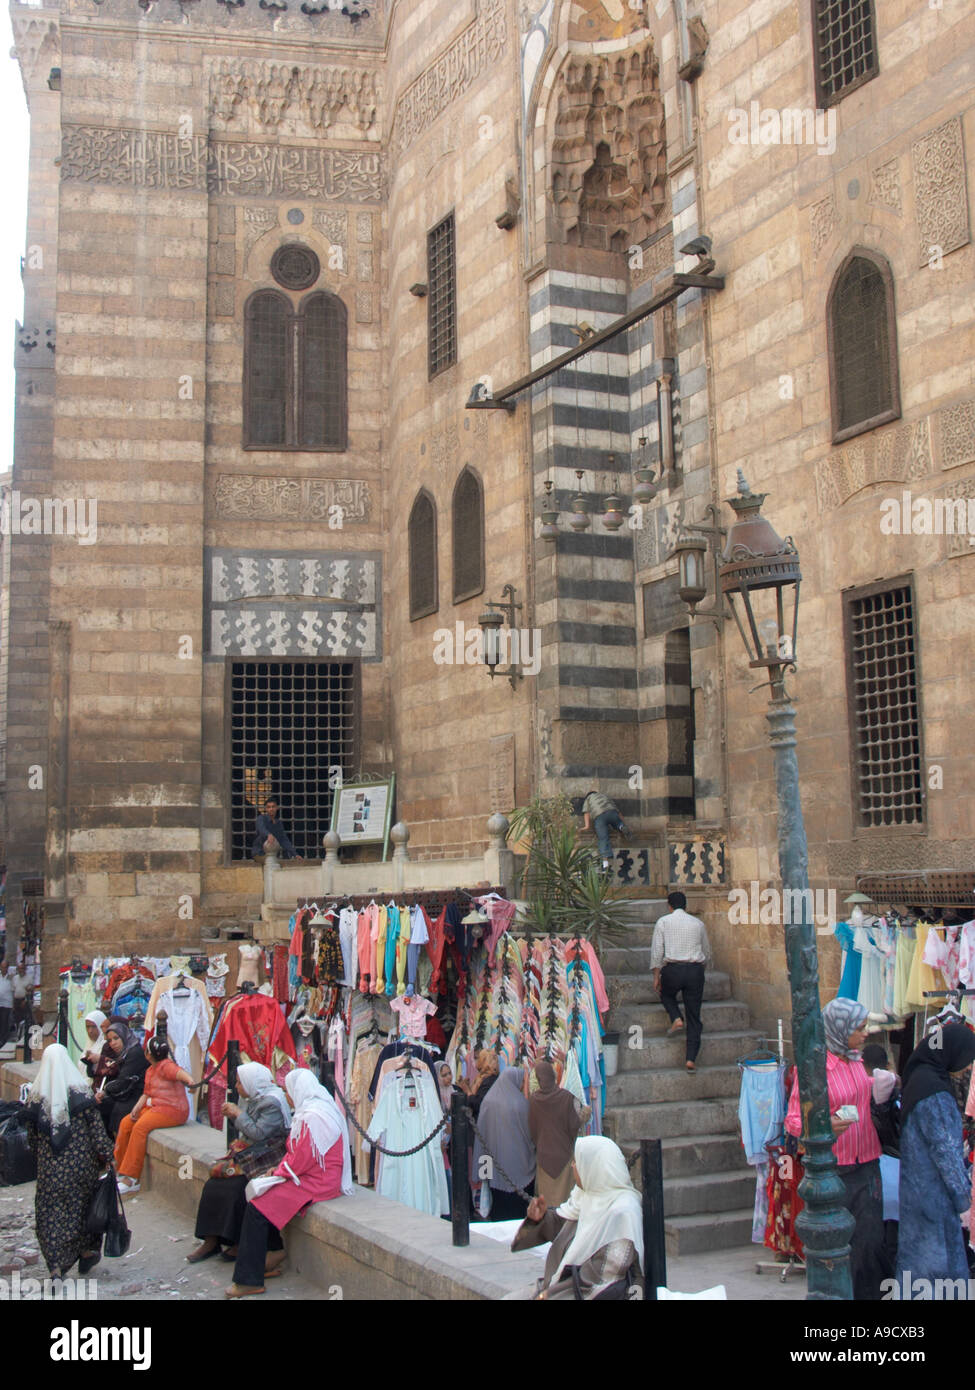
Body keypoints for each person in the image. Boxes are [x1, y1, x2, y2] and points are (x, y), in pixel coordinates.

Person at [785, 998, 890, 1300]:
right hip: (835, 1171)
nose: (865, 1033)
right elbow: (793, 1120)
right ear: (839, 1030)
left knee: (870, 1242)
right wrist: (824, 1126)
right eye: (859, 1028)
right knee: (839, 1247)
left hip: (868, 1162)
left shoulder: (856, 1061)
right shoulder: (816, 1069)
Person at [227, 1067, 354, 1299]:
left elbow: (303, 1158)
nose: (286, 1095)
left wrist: (279, 1171)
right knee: (258, 1200)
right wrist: (280, 1170)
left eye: (288, 1090)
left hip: (318, 1181)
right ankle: (271, 1254)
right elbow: (299, 1154)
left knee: (257, 1206)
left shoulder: (312, 1116)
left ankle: (248, 1280)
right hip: (314, 1174)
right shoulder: (315, 1110)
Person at [508, 1135, 644, 1300]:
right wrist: (537, 1219)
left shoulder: (622, 1212)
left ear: (593, 1167)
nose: (573, 1166)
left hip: (594, 1292)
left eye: (577, 1162)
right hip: (564, 1287)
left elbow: (604, 1275)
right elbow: (561, 1226)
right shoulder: (585, 1195)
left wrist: (549, 1294)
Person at [896, 1024, 975, 1297]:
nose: (967, 1068)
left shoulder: (918, 1079)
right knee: (938, 1277)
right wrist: (964, 1201)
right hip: (935, 1200)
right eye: (967, 1059)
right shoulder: (935, 1094)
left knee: (918, 1273)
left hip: (915, 1195)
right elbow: (946, 1153)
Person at [24, 1043, 114, 1278]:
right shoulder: (81, 1093)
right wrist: (107, 1155)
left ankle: (55, 1265)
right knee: (83, 1208)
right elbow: (96, 1130)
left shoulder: (35, 1098)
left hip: (50, 1169)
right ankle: (85, 1252)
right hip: (82, 1167)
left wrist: (43, 1159)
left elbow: (32, 1139)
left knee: (50, 1214)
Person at [188, 1062, 292, 1264]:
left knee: (237, 1188)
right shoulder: (256, 1097)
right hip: (253, 1153)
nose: (236, 1087)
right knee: (213, 1185)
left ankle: (236, 1241)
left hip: (266, 1157)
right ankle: (211, 1239)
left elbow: (259, 1133)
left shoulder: (271, 1102)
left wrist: (237, 1114)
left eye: (239, 1083)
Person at [114, 1038, 192, 1194]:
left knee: (140, 1128)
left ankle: (131, 1177)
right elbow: (147, 1093)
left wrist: (191, 1082)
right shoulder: (151, 1070)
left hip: (173, 1110)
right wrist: (137, 1107)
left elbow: (180, 1074)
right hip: (156, 1107)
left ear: (148, 1054)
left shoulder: (166, 1066)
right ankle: (121, 1169)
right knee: (126, 1123)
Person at [651, 891, 711, 1072]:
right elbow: (706, 951)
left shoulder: (663, 922)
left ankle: (676, 1017)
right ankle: (690, 1058)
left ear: (669, 906)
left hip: (673, 969)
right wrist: (701, 970)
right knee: (694, 1015)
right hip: (695, 969)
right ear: (686, 906)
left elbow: (657, 951)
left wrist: (656, 976)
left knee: (666, 994)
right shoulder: (698, 924)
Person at [471, 1065, 535, 1221]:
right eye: (520, 1081)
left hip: (495, 1170)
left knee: (499, 1212)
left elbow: (482, 1138)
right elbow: (530, 1136)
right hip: (520, 1168)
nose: (521, 1085)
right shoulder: (522, 1104)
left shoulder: (488, 1101)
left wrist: (483, 1171)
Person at [528, 1059, 588, 1206]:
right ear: (553, 1077)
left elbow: (533, 1129)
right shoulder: (567, 1097)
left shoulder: (534, 1100)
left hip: (544, 1156)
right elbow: (575, 1123)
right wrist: (585, 1114)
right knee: (565, 1202)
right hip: (564, 1154)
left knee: (547, 1202)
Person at [95, 1021, 149, 1136]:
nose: (113, 1043)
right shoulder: (125, 1053)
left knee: (116, 1109)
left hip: (138, 1095)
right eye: (110, 1041)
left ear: (124, 1036)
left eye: (116, 1038)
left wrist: (105, 1089)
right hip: (128, 1093)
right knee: (101, 1105)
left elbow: (123, 1081)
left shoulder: (135, 1053)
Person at [581, 790, 629, 872]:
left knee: (603, 839)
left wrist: (587, 826)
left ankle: (605, 864)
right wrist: (624, 824)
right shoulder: (605, 796)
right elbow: (618, 812)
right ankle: (621, 827)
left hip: (600, 817)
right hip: (612, 812)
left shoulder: (588, 799)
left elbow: (586, 812)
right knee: (617, 822)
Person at [459, 1048, 500, 1118]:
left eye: (478, 1058)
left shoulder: (489, 1080)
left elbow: (478, 1104)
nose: (476, 1061)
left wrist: (468, 1091)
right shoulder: (485, 1077)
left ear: (483, 1061)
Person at [78, 1010, 109, 1081]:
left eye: (93, 1027)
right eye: (87, 1027)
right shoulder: (88, 1046)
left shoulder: (107, 1046)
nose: (90, 1031)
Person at [0, 965, 12, 1048]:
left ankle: (3, 1041)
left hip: (7, 1004)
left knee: (4, 1023)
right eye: (2, 967)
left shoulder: (11, 978)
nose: (3, 969)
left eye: (5, 967)